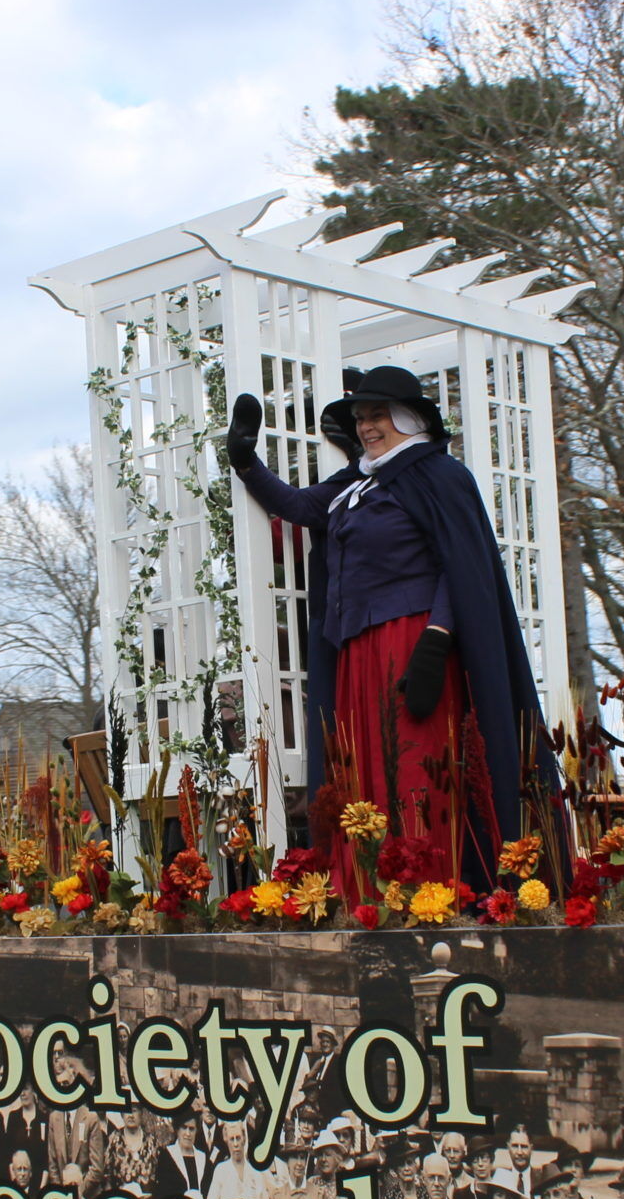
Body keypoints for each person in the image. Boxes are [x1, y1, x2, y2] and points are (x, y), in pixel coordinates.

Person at [226, 368, 546, 892]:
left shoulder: (440, 476)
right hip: (356, 650)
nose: (367, 427)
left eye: (377, 415)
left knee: (417, 768)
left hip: (415, 642)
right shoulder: (357, 483)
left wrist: (437, 638)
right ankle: (373, 894)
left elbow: (461, 569)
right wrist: (246, 461)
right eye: (360, 419)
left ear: (408, 417)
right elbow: (302, 508)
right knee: (364, 770)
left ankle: (434, 891)